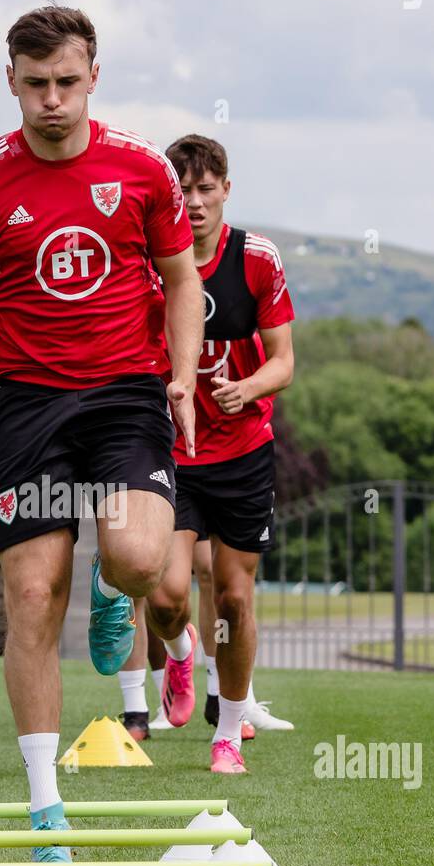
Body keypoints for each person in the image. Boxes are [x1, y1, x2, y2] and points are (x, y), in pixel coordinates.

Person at [0, 5, 203, 866]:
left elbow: (180, 279)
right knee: (32, 599)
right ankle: (48, 814)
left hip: (126, 398)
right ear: (9, 79)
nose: (52, 100)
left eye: (68, 82)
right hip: (28, 409)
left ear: (95, 77)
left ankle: (118, 583)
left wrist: (184, 377)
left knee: (134, 561)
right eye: (36, 83)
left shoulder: (141, 171)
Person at [145, 134, 296, 774]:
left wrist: (248, 387)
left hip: (241, 454)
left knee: (234, 599)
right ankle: (180, 652)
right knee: (165, 595)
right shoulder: (149, 262)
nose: (195, 202)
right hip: (171, 452)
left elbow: (284, 362)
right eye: (182, 191)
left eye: (206, 189)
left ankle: (228, 733)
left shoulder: (256, 259)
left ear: (226, 190)